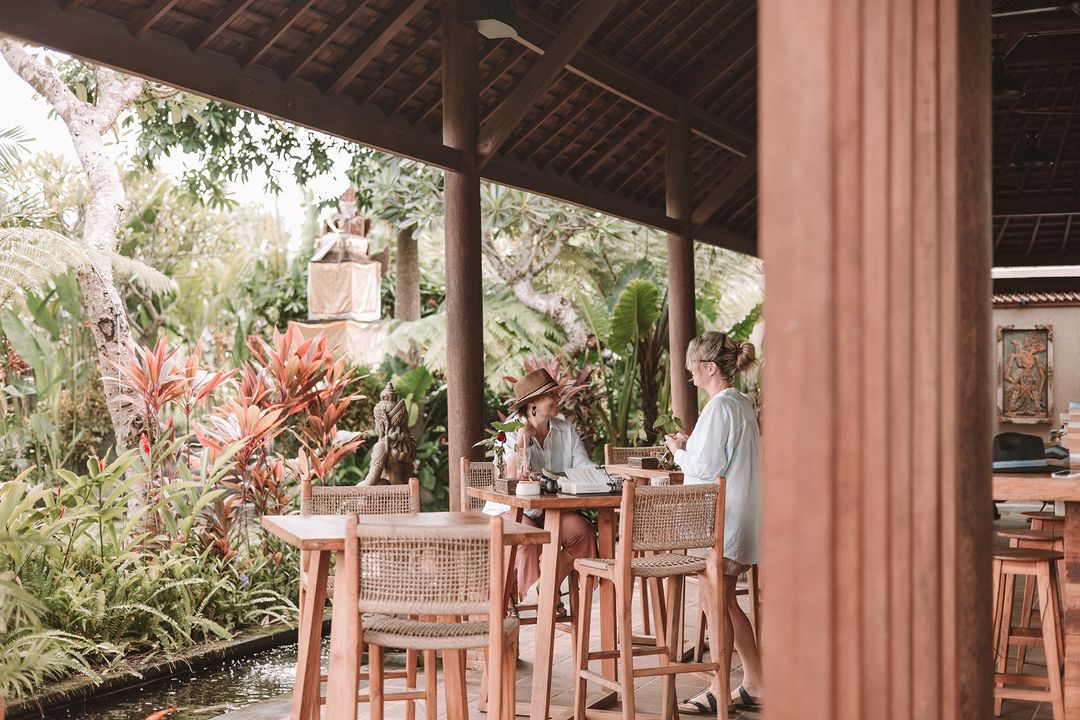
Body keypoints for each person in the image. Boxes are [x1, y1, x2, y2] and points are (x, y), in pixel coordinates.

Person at [666, 331, 763, 714]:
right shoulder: (738, 403)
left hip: (725, 522)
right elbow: (717, 457)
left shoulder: (721, 408)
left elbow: (706, 469)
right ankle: (754, 681)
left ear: (708, 368)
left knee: (714, 600)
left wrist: (678, 451)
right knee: (720, 601)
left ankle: (722, 689)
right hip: (739, 518)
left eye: (693, 366)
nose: (690, 374)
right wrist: (692, 444)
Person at [482, 368, 598, 611]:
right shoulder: (509, 433)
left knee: (583, 531)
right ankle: (521, 594)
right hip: (509, 510)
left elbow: (584, 466)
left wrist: (601, 476)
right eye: (551, 396)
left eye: (556, 394)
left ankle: (546, 585)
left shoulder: (565, 430)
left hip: (549, 510)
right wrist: (523, 438)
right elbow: (507, 479)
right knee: (529, 533)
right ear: (532, 404)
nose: (558, 399)